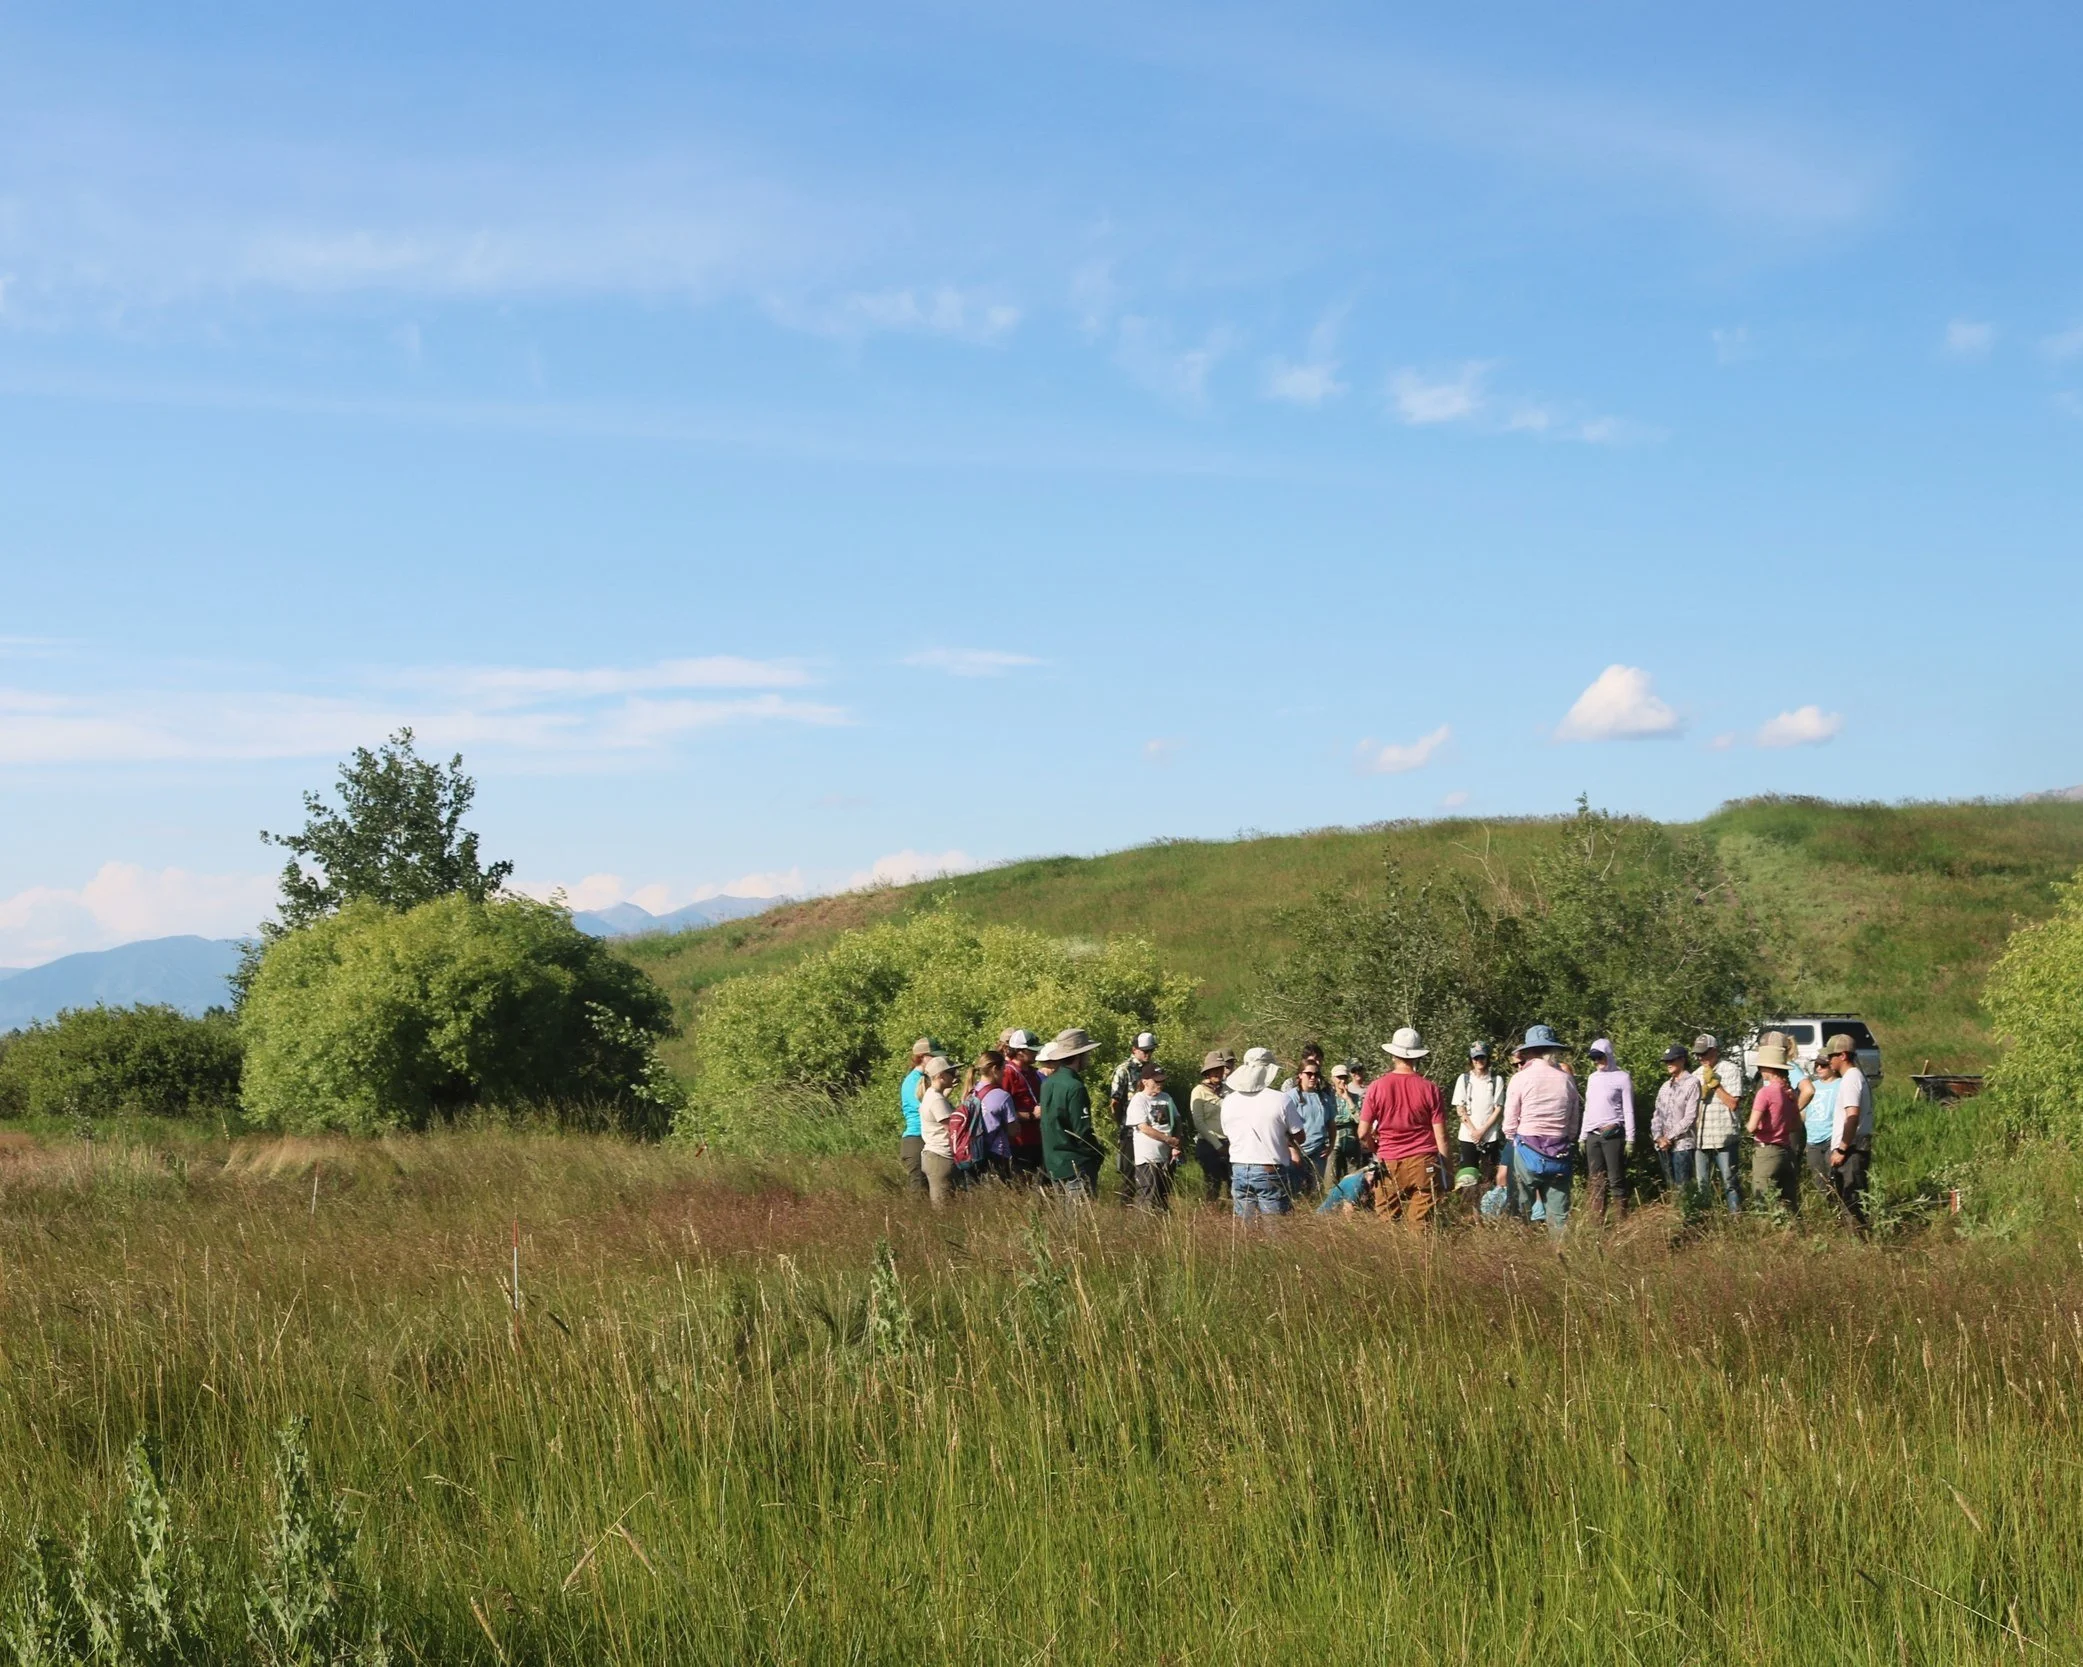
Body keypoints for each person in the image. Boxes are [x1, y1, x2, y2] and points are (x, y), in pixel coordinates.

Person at [1358, 1027, 1448, 1227]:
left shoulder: (1376, 1087)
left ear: (1392, 1055)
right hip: (1424, 1160)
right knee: (1421, 1225)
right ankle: (1422, 1258)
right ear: (1417, 1056)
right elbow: (1441, 1136)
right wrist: (1447, 1170)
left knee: (1387, 1224)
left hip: (1390, 1161)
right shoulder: (1430, 1088)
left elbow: (1363, 1132)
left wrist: (1376, 1149)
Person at [1503, 1025, 1582, 1237]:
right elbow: (1574, 1118)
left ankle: (1524, 1250)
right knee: (1559, 1214)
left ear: (1528, 1051)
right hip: (1560, 1150)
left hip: (1527, 1148)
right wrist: (1569, 1137)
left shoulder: (1520, 1078)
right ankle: (1559, 1257)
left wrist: (1512, 1138)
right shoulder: (1566, 1079)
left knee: (1521, 1207)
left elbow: (1510, 1119)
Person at [1222, 1048, 1304, 1219]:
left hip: (1238, 1166)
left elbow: (1227, 1132)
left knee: (1245, 1226)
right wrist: (1284, 1138)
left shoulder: (1229, 1101)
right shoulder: (1281, 1099)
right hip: (1269, 1167)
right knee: (1275, 1227)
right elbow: (1300, 1136)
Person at [1036, 1028, 1106, 1199]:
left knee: (1064, 1222)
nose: (1089, 1058)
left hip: (1054, 1164)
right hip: (1076, 1164)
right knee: (1080, 1222)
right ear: (1078, 1056)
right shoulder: (1075, 1087)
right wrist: (1096, 1153)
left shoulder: (1048, 1083)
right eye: (1087, 1054)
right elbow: (1081, 1131)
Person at [1580, 1039, 1636, 1224]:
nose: (1597, 1061)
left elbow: (1628, 1109)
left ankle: (1621, 1224)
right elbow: (1588, 1108)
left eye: (1600, 1057)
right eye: (1594, 1058)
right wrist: (1582, 1136)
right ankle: (1597, 1224)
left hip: (1613, 1134)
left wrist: (1630, 1138)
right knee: (1596, 1181)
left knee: (1616, 1179)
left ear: (1608, 1054)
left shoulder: (1622, 1077)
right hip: (1592, 1135)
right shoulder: (1592, 1078)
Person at [1824, 1032, 1875, 1228]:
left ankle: (1861, 1243)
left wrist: (1842, 1149)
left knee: (1853, 1201)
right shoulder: (1854, 1077)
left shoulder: (1850, 1079)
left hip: (1851, 1150)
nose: (1829, 1060)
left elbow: (1852, 1117)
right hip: (1852, 1147)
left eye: (1831, 1056)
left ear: (1843, 1055)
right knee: (1850, 1199)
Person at [1691, 1033, 1744, 1215]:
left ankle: (1736, 1218)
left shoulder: (1730, 1070)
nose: (1700, 1058)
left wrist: (1715, 1085)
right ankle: (1704, 1220)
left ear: (1714, 1051)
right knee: (1702, 1184)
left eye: (1704, 1053)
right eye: (1697, 1054)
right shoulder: (1695, 1075)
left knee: (1730, 1181)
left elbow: (1733, 1103)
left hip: (1725, 1136)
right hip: (1701, 1138)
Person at [1746, 1039, 1801, 1212]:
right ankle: (1793, 1232)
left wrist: (1761, 1126)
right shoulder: (1789, 1094)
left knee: (1761, 1198)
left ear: (1768, 1068)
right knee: (1787, 1201)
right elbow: (1796, 1126)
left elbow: (1752, 1127)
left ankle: (1766, 1233)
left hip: (1766, 1150)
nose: (1760, 1070)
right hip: (1785, 1150)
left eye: (1762, 1066)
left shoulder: (1765, 1092)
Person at [1108, 1032, 1160, 1199]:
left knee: (1153, 1174)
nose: (1148, 1054)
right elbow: (1114, 1102)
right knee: (1128, 1176)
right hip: (1130, 1130)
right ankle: (1126, 1212)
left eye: (1151, 1050)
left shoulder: (1154, 1069)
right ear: (1134, 1049)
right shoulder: (1124, 1070)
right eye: (1145, 1050)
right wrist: (1121, 1123)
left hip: (1152, 1129)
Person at [1451, 1041, 1506, 1196]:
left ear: (1488, 1058)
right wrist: (1473, 1131)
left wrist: (1482, 1131)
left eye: (1482, 1057)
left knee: (1489, 1175)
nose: (1478, 1061)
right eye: (1475, 1058)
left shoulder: (1496, 1080)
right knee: (1468, 1174)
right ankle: (1468, 1206)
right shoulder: (1464, 1079)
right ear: (1470, 1059)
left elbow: (1499, 1108)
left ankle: (1488, 1207)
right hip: (1468, 1136)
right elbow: (1459, 1107)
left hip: (1490, 1135)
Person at [1126, 1061, 1182, 1210]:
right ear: (1145, 1081)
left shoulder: (1166, 1097)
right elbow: (1144, 1127)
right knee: (1147, 1196)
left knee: (1163, 1197)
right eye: (1156, 1081)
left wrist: (1176, 1142)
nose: (1160, 1084)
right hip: (1147, 1158)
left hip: (1167, 1157)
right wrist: (1168, 1139)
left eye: (1162, 1080)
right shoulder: (1139, 1100)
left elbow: (1177, 1120)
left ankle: (1162, 1227)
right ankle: (1144, 1228)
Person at [1283, 1056, 1337, 1194]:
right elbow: (1284, 1126)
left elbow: (1331, 1122)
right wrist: (1293, 1150)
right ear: (1300, 1075)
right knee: (1296, 1189)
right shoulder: (1290, 1097)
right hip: (1297, 1150)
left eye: (1316, 1074)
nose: (1313, 1077)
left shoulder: (1324, 1097)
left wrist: (1331, 1145)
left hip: (1319, 1150)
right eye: (1309, 1074)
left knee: (1316, 1190)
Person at [1650, 1043, 1699, 1192]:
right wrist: (1658, 1137)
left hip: (1682, 1145)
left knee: (1684, 1187)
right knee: (1671, 1188)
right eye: (1666, 1061)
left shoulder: (1692, 1083)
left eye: (1671, 1060)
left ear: (1682, 1060)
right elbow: (1657, 1113)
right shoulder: (1665, 1086)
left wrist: (1669, 1137)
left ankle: (1687, 1214)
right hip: (1663, 1146)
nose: (1668, 1064)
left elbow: (1690, 1116)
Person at [965, 1050, 1018, 1183]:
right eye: (1003, 1069)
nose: (1004, 1074)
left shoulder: (971, 1092)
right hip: (998, 1153)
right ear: (995, 1069)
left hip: (974, 1153)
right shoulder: (1002, 1096)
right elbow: (1013, 1131)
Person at [899, 1036, 943, 1193]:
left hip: (926, 1137)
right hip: (916, 1139)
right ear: (921, 1057)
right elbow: (927, 1108)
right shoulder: (913, 1081)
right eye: (934, 1056)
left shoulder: (926, 1079)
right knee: (919, 1190)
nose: (939, 1059)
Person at [1802, 1050, 1845, 1209]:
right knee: (1819, 1181)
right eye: (1816, 1065)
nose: (1819, 1068)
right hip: (1812, 1139)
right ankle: (1830, 1211)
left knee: (1835, 1178)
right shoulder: (1812, 1086)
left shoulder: (1840, 1084)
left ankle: (1842, 1210)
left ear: (1832, 1066)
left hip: (1831, 1138)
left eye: (1823, 1065)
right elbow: (1804, 1111)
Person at [1190, 1051, 1232, 1210]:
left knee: (1233, 1183)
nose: (1218, 1073)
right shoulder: (1198, 1091)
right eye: (1214, 1070)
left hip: (1229, 1143)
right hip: (1208, 1144)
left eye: (1220, 1069)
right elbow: (1199, 1122)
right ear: (1207, 1072)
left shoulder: (1229, 1090)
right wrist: (1217, 1145)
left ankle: (1233, 1217)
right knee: (1212, 1185)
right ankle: (1211, 1215)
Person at [1001, 1030, 1045, 1182]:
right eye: (1031, 1050)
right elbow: (1001, 1110)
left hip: (1038, 1139)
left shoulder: (1034, 1073)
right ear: (1019, 1052)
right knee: (1022, 1186)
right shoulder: (1007, 1073)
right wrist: (1032, 1115)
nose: (1036, 1053)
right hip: (1019, 1142)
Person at [917, 1056, 961, 1206]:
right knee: (943, 1207)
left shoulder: (933, 1096)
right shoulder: (936, 1100)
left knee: (944, 1204)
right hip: (940, 1157)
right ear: (941, 1076)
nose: (955, 1076)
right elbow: (952, 1129)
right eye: (952, 1072)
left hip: (936, 1156)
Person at [1330, 1060, 1369, 1179]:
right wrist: (1345, 1119)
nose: (1342, 1080)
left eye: (1344, 1077)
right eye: (1339, 1077)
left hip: (1351, 1140)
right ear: (1333, 1079)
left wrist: (1348, 1099)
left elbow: (1359, 1119)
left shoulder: (1355, 1097)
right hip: (1334, 1140)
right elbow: (1331, 1118)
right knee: (1332, 1176)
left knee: (1353, 1175)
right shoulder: (1329, 1098)